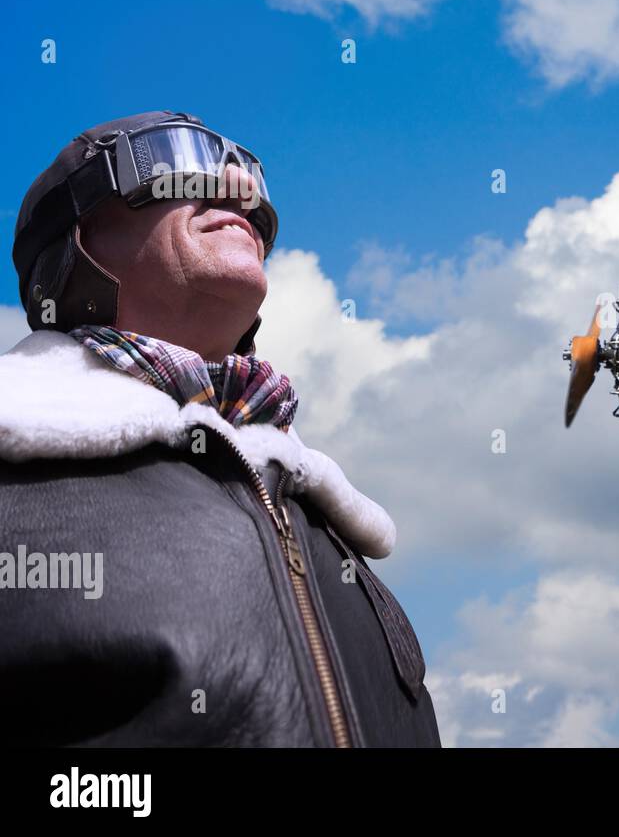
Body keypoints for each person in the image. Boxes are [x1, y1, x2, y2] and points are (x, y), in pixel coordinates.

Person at [0, 111, 440, 746]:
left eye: (248, 177)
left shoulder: (338, 532)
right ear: (78, 235)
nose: (238, 189)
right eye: (178, 159)